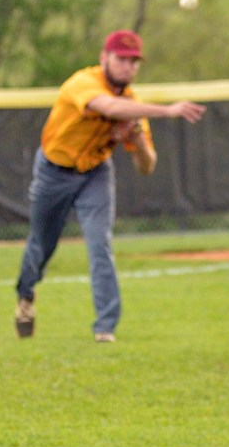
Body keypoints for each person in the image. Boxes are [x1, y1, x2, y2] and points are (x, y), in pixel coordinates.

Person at [14, 30, 206, 342]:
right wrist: (168, 111)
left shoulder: (133, 104)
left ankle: (105, 328)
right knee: (41, 244)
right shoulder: (83, 83)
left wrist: (137, 138)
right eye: (121, 59)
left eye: (134, 61)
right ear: (104, 58)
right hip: (54, 171)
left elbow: (147, 166)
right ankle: (25, 296)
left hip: (94, 173)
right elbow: (110, 108)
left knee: (99, 243)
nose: (127, 66)